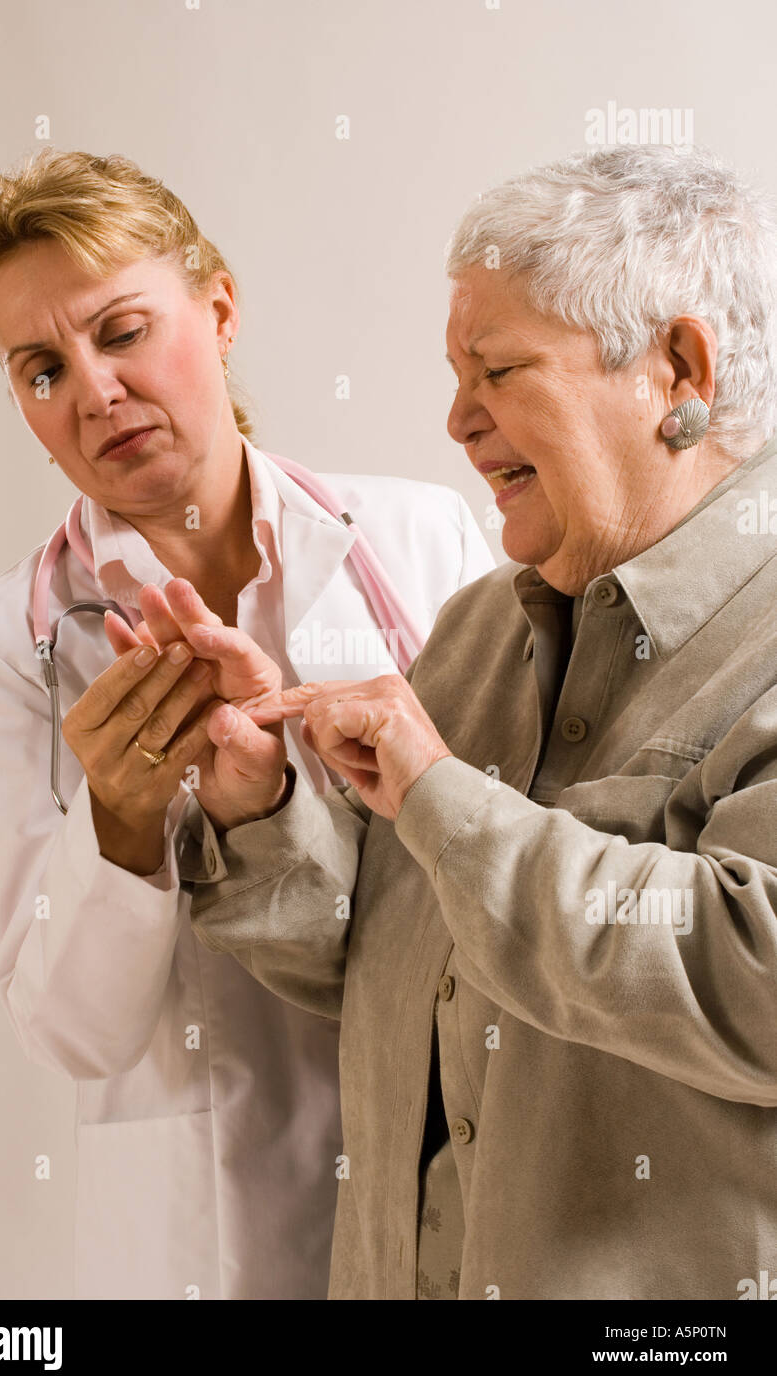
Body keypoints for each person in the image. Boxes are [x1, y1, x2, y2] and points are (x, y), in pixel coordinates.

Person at [177, 143, 777, 1299]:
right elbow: (392, 972)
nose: (456, 418)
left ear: (676, 367)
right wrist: (263, 803)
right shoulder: (472, 636)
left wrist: (443, 802)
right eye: (456, 374)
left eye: (498, 368)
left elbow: (756, 982)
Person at [0, 147, 493, 1299]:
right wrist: (123, 818)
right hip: (206, 1220)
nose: (91, 393)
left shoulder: (422, 542)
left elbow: (499, 879)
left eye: (122, 332)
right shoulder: (6, 646)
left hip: (448, 1177)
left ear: (220, 306)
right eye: (40, 369)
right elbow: (72, 1033)